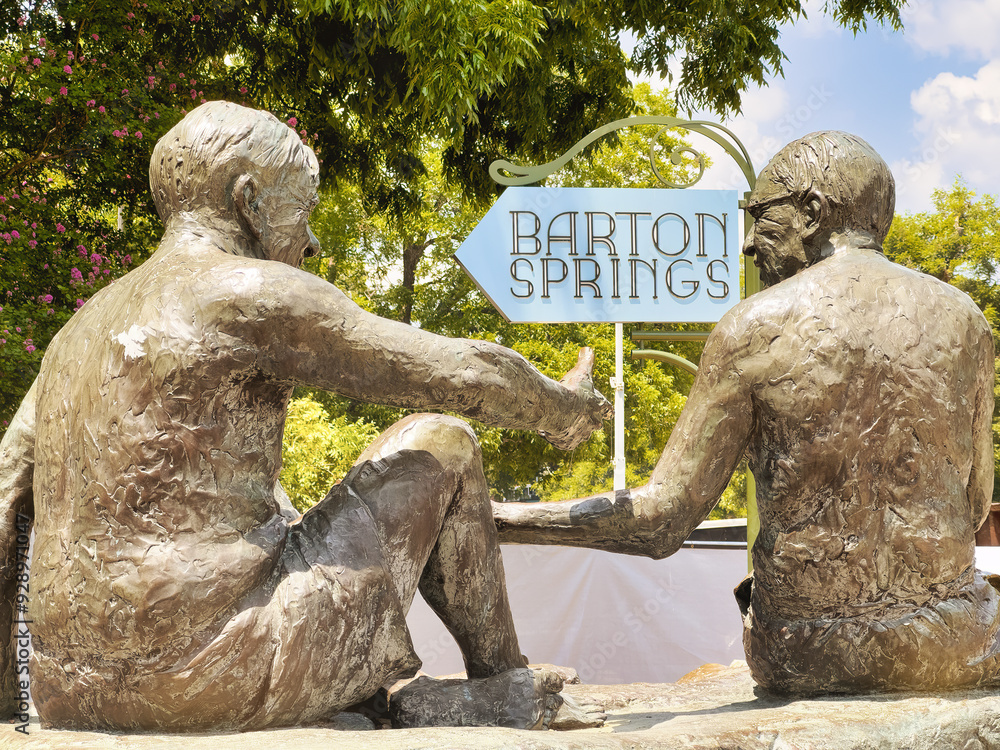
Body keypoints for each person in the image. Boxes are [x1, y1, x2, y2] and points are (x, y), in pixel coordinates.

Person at [0, 101, 609, 730]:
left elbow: (4, 502)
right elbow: (462, 373)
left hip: (68, 689)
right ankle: (503, 681)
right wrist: (564, 409)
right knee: (443, 442)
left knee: (280, 509)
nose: (312, 241)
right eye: (304, 210)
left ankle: (390, 692)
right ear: (249, 200)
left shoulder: (74, 335)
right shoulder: (248, 291)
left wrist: (7, 703)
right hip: (212, 676)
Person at [495, 131, 1000, 695]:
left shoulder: (752, 328)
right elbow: (975, 502)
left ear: (812, 213)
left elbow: (661, 520)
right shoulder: (967, 320)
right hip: (959, 645)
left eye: (761, 217)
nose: (748, 244)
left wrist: (496, 519)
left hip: (808, 655)